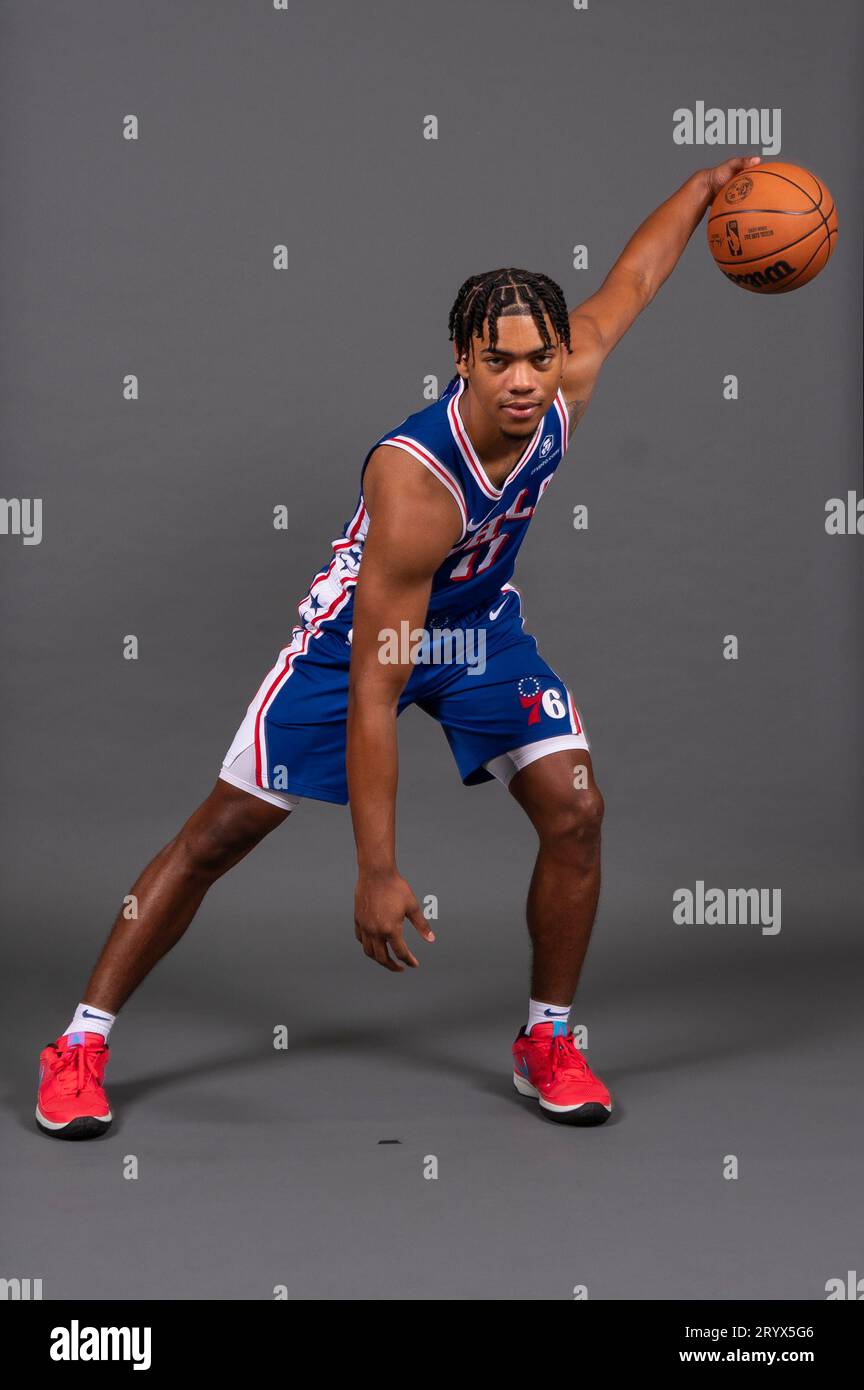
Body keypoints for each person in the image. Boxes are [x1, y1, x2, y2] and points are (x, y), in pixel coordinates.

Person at [36, 155, 761, 1139]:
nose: (521, 380)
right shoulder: (415, 479)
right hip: (358, 646)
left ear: (559, 356)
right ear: (461, 358)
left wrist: (707, 188)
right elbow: (377, 693)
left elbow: (633, 277)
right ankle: (78, 1044)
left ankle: (547, 1038)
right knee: (217, 836)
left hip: (476, 631)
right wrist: (377, 871)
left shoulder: (563, 383)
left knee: (577, 811)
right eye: (497, 360)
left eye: (537, 360)